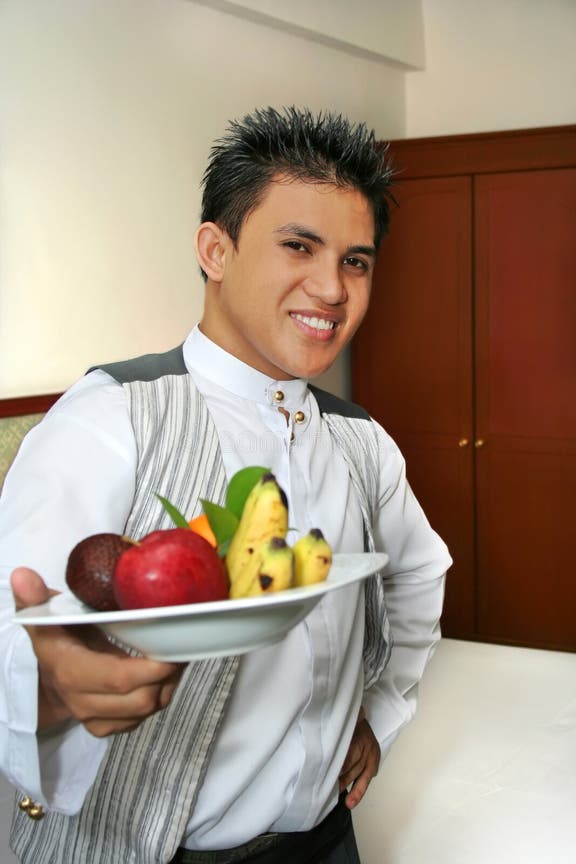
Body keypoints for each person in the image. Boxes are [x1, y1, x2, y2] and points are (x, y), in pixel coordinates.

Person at [0, 106, 451, 864]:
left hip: (324, 841)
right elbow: (16, 629)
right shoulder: (115, 415)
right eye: (299, 247)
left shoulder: (361, 439)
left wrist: (378, 708)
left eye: (356, 261)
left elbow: (418, 575)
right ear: (215, 249)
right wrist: (49, 692)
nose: (334, 289)